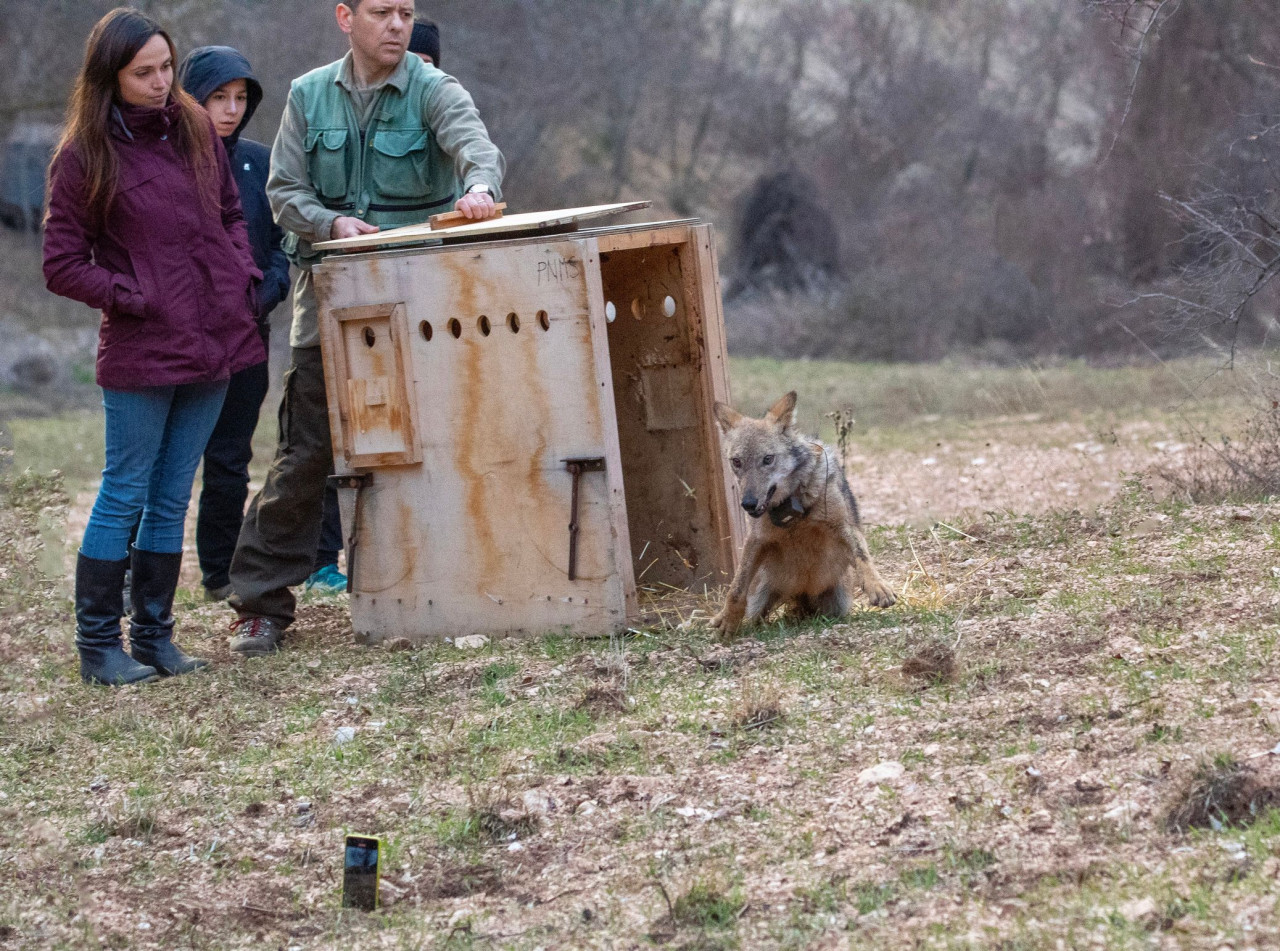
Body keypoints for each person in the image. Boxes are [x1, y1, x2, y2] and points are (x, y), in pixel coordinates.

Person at [226, 0, 505, 656]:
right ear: (345, 17)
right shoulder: (308, 95)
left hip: (423, 308)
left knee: (435, 447)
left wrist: (480, 189)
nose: (397, 26)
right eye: (382, 12)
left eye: (406, 13)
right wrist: (330, 224)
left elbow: (478, 152)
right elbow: (284, 191)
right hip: (329, 299)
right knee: (306, 454)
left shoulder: (436, 91)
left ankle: (443, 587)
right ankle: (260, 604)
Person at [44, 8, 265, 685]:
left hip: (216, 338)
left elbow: (230, 211)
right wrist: (134, 297)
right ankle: (98, 646)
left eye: (167, 67)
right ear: (110, 77)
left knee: (173, 495)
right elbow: (60, 262)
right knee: (125, 490)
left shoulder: (197, 125)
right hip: (142, 349)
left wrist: (240, 274)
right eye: (145, 73)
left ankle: (155, 637)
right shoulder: (85, 152)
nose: (163, 82)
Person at [175, 47, 290, 602]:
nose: (231, 109)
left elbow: (282, 243)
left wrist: (268, 292)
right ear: (190, 98)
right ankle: (134, 578)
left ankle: (219, 574)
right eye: (218, 97)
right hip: (180, 336)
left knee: (229, 458)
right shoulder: (164, 162)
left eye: (240, 98)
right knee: (161, 462)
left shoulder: (259, 163)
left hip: (248, 332)